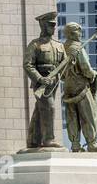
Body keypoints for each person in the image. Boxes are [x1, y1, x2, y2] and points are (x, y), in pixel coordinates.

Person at [23, 11, 66, 150]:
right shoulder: (35, 44)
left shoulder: (59, 45)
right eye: (50, 25)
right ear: (43, 25)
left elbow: (64, 64)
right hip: (41, 82)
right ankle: (48, 140)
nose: (53, 28)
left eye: (54, 25)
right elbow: (28, 64)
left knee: (41, 110)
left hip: (54, 83)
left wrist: (70, 61)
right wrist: (40, 78)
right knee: (49, 108)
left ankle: (33, 141)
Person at [62, 22, 97, 152]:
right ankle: (92, 143)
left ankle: (75, 144)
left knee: (72, 118)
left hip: (68, 89)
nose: (80, 34)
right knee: (88, 116)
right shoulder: (78, 48)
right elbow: (86, 68)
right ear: (73, 33)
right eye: (79, 31)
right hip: (82, 88)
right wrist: (93, 75)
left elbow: (60, 73)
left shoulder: (61, 49)